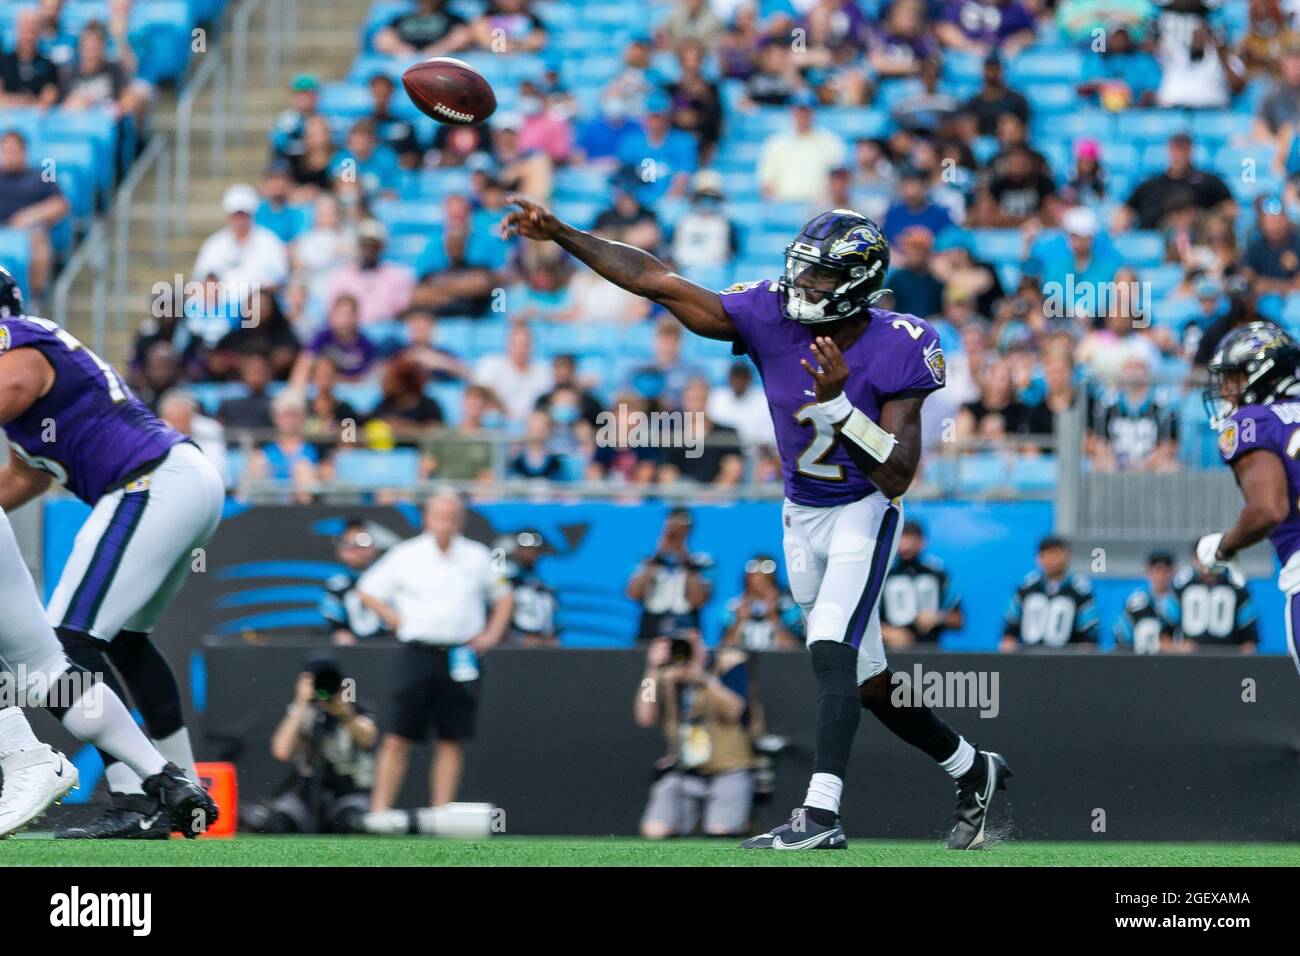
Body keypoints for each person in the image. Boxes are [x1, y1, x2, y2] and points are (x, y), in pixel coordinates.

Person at [501, 199, 1009, 850]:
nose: (801, 289)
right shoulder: (769, 313)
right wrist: (563, 233)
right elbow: (656, 281)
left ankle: (821, 818)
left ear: (854, 288)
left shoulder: (905, 342)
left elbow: (899, 473)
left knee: (830, 651)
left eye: (819, 281)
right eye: (800, 273)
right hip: (800, 514)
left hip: (864, 509)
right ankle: (973, 769)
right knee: (869, 684)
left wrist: (837, 408)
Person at [0, 268, 224, 839]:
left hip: (149, 480)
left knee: (66, 641)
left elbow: (15, 387)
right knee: (123, 641)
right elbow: (23, 479)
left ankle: (138, 795)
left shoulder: (19, 337)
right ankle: (185, 790)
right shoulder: (32, 363)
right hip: (180, 477)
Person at [358, 493, 513, 811]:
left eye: (452, 517)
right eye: (440, 516)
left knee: (451, 738)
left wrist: (491, 635)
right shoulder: (406, 554)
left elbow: (504, 596)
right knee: (397, 736)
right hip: (417, 653)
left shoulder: (479, 556)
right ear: (427, 519)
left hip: (461, 656)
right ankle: (380, 813)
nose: (446, 524)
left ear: (461, 521)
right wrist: (394, 619)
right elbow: (368, 589)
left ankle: (442, 814)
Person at [1199, 324, 1300, 664]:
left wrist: (1224, 547)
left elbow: (1269, 509)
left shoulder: (1253, 421)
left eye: (1234, 378)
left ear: (1263, 375)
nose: (1227, 391)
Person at [634, 627, 756, 839]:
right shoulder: (666, 676)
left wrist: (703, 678)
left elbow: (735, 709)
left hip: (727, 769)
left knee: (720, 832)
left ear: (701, 643)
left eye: (690, 644)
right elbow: (645, 717)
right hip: (684, 772)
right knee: (654, 830)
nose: (685, 651)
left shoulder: (726, 666)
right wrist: (651, 670)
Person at [243, 655, 378, 834]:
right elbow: (282, 751)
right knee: (277, 823)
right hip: (306, 792)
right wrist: (300, 703)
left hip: (347, 791)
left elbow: (368, 739)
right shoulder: (303, 712)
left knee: (351, 822)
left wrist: (344, 714)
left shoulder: (356, 709)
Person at [0, 130, 70, 305]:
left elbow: (60, 205)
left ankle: (34, 300)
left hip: (27, 232)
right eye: (6, 150)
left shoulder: (40, 177)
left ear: (24, 151)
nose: (10, 155)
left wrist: (29, 216)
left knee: (38, 238)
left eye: (14, 150)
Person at [626, 508, 714, 643]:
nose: (675, 533)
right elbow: (633, 593)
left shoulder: (702, 561)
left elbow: (698, 601)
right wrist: (658, 556)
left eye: (681, 528)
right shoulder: (646, 560)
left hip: (686, 626)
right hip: (651, 627)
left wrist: (685, 559)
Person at [1001, 537, 1100, 650]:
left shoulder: (1081, 590)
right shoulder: (1025, 588)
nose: (1051, 559)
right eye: (1046, 554)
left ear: (1066, 555)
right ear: (1039, 558)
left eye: (1055, 554)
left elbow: (1089, 640)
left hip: (1066, 662)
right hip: (1027, 660)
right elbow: (1009, 635)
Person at [880, 520, 963, 648]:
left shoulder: (938, 574)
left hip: (930, 654)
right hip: (889, 654)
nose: (906, 546)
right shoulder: (883, 574)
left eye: (911, 539)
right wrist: (888, 632)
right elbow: (862, 620)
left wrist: (938, 617)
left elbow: (959, 620)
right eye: (902, 539)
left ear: (922, 542)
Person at [1173, 546, 1259, 652]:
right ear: (1195, 558)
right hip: (1189, 662)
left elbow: (1250, 642)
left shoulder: (1238, 589)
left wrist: (1236, 658)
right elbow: (1163, 638)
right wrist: (1178, 648)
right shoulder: (1181, 588)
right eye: (1203, 555)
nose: (1207, 561)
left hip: (1227, 662)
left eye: (1211, 555)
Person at [320, 519, 392, 645]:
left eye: (362, 543)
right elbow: (334, 623)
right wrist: (340, 634)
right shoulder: (337, 585)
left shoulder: (390, 582)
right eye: (348, 544)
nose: (355, 550)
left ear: (374, 546)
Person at [720, 555, 803, 651]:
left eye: (765, 585)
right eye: (754, 590)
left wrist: (774, 618)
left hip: (779, 663)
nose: (759, 592)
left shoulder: (788, 609)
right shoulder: (732, 608)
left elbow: (795, 651)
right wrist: (740, 620)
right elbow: (724, 649)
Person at [499, 530, 559, 646]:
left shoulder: (546, 586)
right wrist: (517, 638)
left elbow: (556, 617)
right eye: (525, 549)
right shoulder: (508, 582)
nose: (530, 553)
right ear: (516, 550)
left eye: (534, 550)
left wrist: (552, 637)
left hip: (544, 646)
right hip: (513, 648)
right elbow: (496, 614)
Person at [1114, 550, 1180, 655]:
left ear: (1173, 571)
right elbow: (1122, 638)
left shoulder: (1179, 601)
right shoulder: (1136, 602)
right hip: (1139, 662)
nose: (1161, 575)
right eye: (1157, 569)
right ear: (1148, 571)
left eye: (1166, 571)